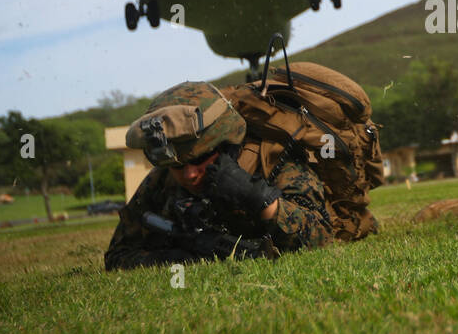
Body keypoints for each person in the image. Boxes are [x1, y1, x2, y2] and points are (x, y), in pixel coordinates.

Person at [104, 81, 337, 271]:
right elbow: (118, 255)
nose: (189, 174)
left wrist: (259, 198)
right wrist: (175, 258)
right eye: (177, 165)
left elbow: (323, 239)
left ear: (225, 145)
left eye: (198, 159)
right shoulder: (162, 179)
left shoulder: (273, 161)